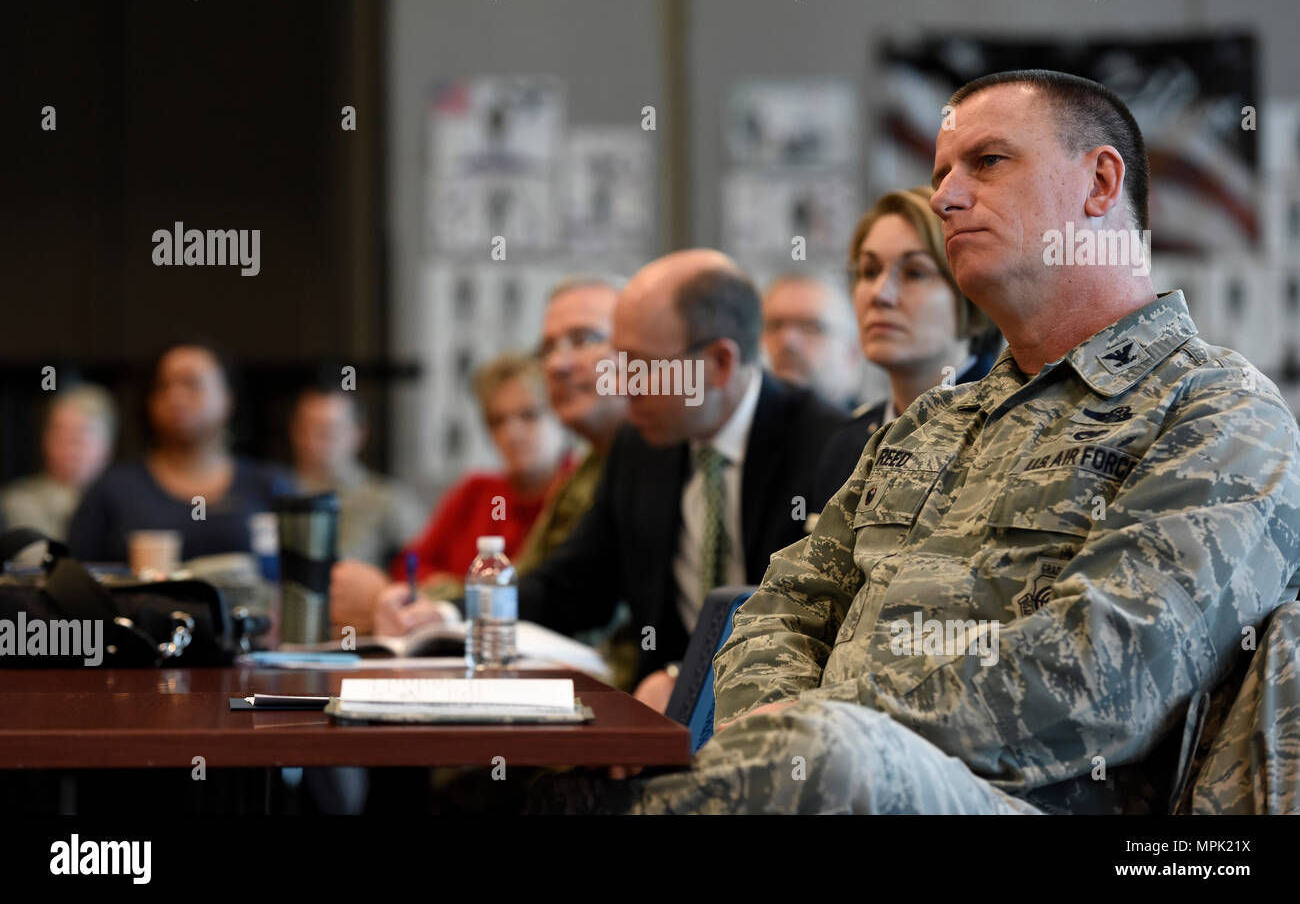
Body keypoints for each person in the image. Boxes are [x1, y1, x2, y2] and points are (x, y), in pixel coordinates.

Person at [532, 70, 1300, 814]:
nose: (946, 197)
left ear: (1101, 185)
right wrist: (770, 728)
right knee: (551, 778)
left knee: (832, 764)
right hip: (813, 771)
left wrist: (828, 723)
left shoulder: (1217, 413)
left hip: (1022, 800)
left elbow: (1106, 675)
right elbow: (781, 608)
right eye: (940, 173)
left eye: (987, 163)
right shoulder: (933, 421)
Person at [386, 250, 849, 714]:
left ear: (719, 363)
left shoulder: (828, 449)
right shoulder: (641, 448)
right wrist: (447, 614)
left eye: (640, 366)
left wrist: (688, 680)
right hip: (658, 724)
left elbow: (822, 630)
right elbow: (570, 588)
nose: (621, 386)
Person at [369, 275, 631, 644]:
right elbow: (552, 591)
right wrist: (437, 608)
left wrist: (431, 598)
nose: (559, 363)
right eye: (548, 348)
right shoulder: (481, 489)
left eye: (528, 416)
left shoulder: (590, 474)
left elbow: (564, 601)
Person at [329, 352, 572, 634]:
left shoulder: (580, 495)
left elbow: (541, 594)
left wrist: (447, 590)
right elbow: (409, 566)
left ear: (561, 414)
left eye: (528, 415)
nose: (511, 432)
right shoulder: (476, 491)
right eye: (497, 421)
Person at [808, 187, 1002, 511]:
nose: (879, 294)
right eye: (869, 271)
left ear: (974, 295)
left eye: (915, 273)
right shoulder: (847, 442)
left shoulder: (1005, 430)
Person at [67, 342, 293, 563]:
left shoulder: (269, 487)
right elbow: (75, 582)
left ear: (227, 399)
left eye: (191, 384)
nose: (175, 398)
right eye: (162, 386)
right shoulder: (112, 491)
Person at [290, 385, 424, 568]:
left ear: (359, 432)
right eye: (312, 428)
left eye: (333, 429)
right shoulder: (275, 489)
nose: (321, 440)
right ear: (296, 431)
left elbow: (425, 559)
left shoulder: (387, 497)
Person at [1, 384, 117, 541]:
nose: (67, 447)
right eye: (58, 434)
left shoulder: (124, 502)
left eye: (79, 436)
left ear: (107, 445)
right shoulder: (16, 503)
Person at [760, 272, 862, 410]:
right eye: (774, 325)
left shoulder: (881, 430)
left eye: (809, 326)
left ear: (852, 353)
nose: (787, 341)